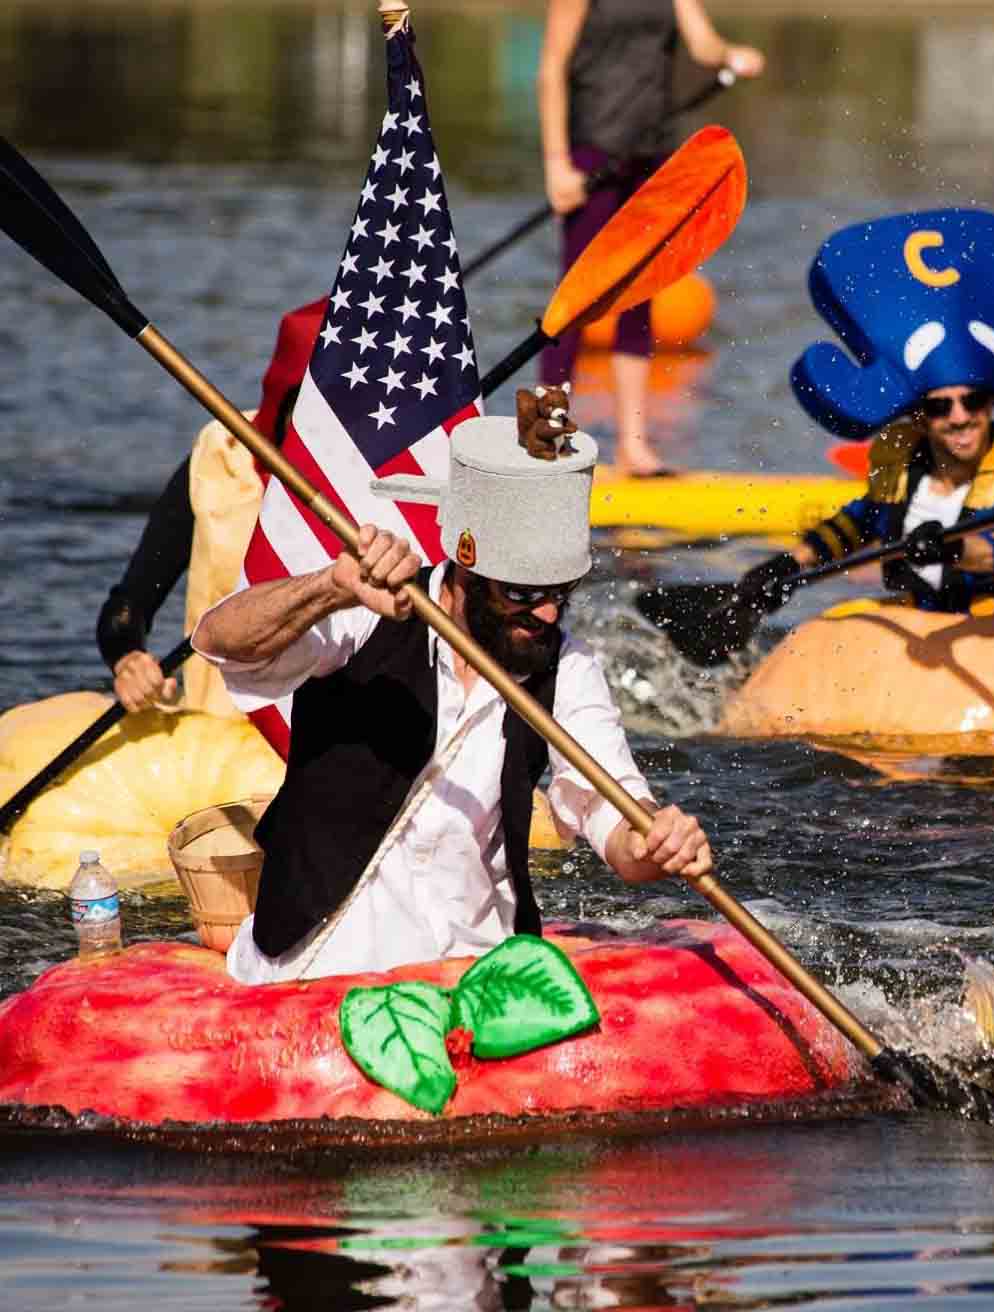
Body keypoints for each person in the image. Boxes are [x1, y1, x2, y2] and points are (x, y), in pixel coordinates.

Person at [192, 408, 711, 984]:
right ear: (466, 571)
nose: (546, 614)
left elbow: (610, 816)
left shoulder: (568, 664)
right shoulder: (369, 610)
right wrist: (330, 587)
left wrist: (653, 846)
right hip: (323, 960)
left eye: (561, 592)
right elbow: (220, 642)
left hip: (478, 967)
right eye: (522, 594)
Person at [740, 208, 994, 618]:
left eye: (974, 400)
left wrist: (956, 549)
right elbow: (861, 521)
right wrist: (789, 566)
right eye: (939, 406)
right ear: (918, 416)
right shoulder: (906, 468)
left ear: (990, 402)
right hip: (921, 619)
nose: (960, 417)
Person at [536, 0, 764, 477]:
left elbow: (702, 44)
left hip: (652, 152)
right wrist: (557, 163)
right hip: (593, 148)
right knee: (574, 298)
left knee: (640, 296)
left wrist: (730, 54)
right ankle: (545, 439)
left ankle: (633, 447)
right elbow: (551, 69)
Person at [98, 299, 323, 715]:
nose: (327, 431)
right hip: (218, 728)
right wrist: (129, 661)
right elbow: (128, 607)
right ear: (281, 400)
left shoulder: (402, 481)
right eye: (312, 407)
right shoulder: (219, 455)